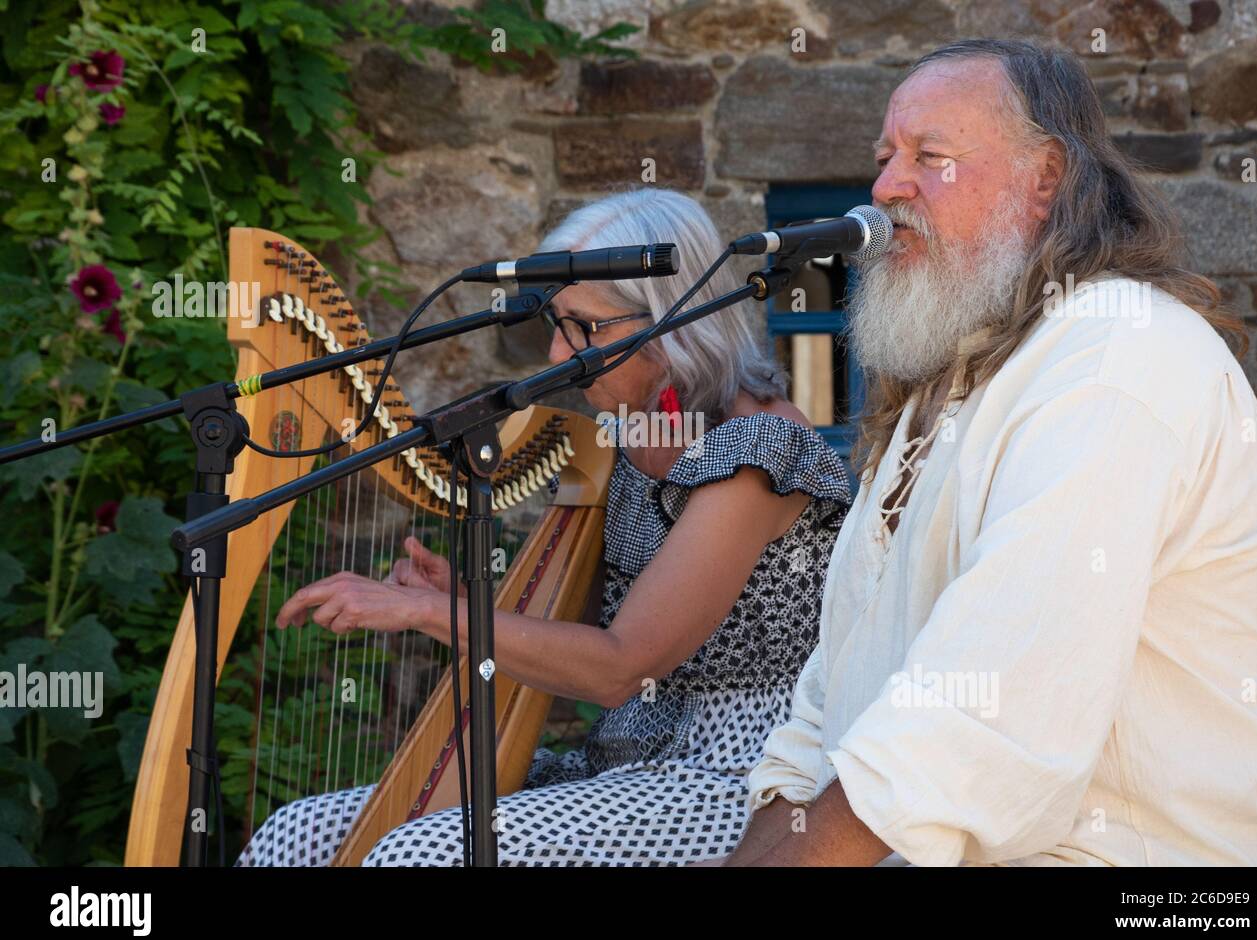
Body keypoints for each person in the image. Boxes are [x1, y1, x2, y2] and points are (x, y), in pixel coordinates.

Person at [730, 38, 1257, 867]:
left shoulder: (1114, 359)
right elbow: (826, 703)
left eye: (933, 157)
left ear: (1046, 180)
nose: (887, 187)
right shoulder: (950, 378)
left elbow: (982, 712)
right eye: (886, 157)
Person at [237, 188, 853, 866]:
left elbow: (620, 665)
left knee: (422, 854)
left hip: (742, 776)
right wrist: (469, 605)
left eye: (588, 328)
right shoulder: (630, 438)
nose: (561, 351)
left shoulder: (757, 453)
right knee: (294, 835)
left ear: (672, 324)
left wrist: (430, 611)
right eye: (557, 323)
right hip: (625, 762)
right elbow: (588, 629)